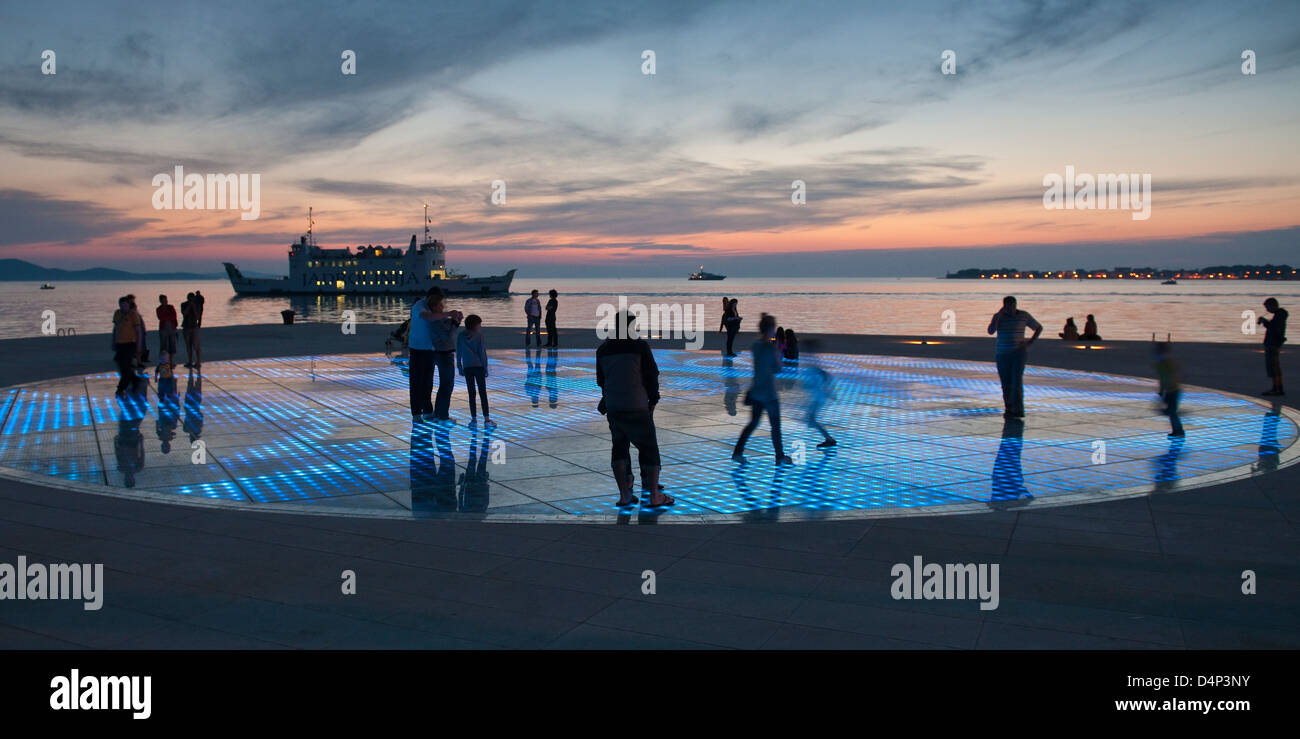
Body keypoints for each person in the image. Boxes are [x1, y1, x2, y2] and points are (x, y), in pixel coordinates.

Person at [597, 311, 673, 508]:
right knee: (649, 448)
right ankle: (655, 495)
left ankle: (624, 495)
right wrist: (653, 399)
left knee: (619, 448)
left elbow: (600, 380)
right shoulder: (639, 347)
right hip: (637, 405)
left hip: (614, 406)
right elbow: (651, 374)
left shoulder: (603, 349)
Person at [733, 313, 793, 464]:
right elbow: (777, 369)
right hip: (769, 394)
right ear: (770, 329)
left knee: (753, 423)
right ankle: (779, 457)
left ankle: (738, 452)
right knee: (775, 427)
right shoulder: (769, 348)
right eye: (773, 328)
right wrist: (779, 354)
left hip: (757, 392)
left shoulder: (756, 345)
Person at [408, 287, 463, 422]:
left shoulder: (432, 309)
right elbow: (428, 317)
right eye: (439, 301)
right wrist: (448, 314)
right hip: (417, 348)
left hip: (430, 349)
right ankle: (416, 414)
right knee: (416, 382)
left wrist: (451, 317)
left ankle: (427, 411)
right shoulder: (419, 306)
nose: (441, 303)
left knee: (428, 381)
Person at [987, 296, 1042, 419]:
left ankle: (1018, 409)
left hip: (1018, 354)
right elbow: (990, 331)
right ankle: (1009, 408)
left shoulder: (1023, 315)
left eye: (1013, 306)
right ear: (1004, 306)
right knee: (1006, 383)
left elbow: (1038, 327)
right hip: (1002, 354)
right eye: (1009, 306)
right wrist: (999, 317)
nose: (1012, 309)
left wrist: (1030, 342)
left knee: (1016, 382)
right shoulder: (998, 317)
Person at [456, 314, 496, 428]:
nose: (480, 326)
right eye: (479, 324)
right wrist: (485, 367)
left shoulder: (461, 336)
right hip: (478, 366)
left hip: (467, 367)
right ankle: (487, 419)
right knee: (482, 393)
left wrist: (459, 366)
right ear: (475, 325)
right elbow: (482, 353)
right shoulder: (479, 336)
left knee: (471, 393)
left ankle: (473, 419)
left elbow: (458, 353)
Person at [801, 339, 836, 448]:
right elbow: (826, 376)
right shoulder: (812, 361)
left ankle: (829, 439)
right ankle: (829, 439)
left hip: (818, 397)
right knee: (810, 419)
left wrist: (827, 390)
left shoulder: (812, 361)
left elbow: (825, 376)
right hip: (818, 396)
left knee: (811, 419)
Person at [111, 296, 143, 397]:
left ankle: (121, 388)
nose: (123, 307)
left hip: (130, 343)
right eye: (122, 305)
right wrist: (113, 341)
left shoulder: (133, 315)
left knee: (126, 367)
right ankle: (135, 380)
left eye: (125, 305)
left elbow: (138, 331)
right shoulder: (117, 313)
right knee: (122, 365)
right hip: (120, 344)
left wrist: (138, 346)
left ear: (128, 305)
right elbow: (115, 328)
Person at [1153, 340, 1185, 437]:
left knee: (1171, 412)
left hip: (1172, 390)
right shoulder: (1166, 362)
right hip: (1172, 390)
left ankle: (1179, 431)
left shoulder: (1164, 363)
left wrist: (1162, 391)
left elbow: (1165, 378)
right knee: (1171, 412)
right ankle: (1177, 430)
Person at [1259, 297, 1288, 396]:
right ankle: (1277, 387)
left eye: (1267, 307)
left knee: (1273, 367)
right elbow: (1273, 327)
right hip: (1274, 344)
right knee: (1274, 367)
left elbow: (1273, 328)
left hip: (1273, 344)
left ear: (1273, 306)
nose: (1267, 310)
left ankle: (1277, 388)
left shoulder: (1279, 315)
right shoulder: (1279, 315)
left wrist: (1264, 322)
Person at [180, 292, 201, 368]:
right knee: (188, 346)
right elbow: (184, 313)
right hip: (186, 327)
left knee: (196, 345)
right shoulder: (183, 304)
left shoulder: (197, 305)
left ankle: (198, 362)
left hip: (194, 327)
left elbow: (197, 316)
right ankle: (190, 361)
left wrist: (194, 307)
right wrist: (189, 306)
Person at [156, 294, 178, 360]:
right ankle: (163, 361)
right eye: (164, 300)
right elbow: (160, 318)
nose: (165, 301)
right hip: (163, 329)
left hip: (172, 328)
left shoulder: (171, 307)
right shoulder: (159, 309)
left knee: (172, 345)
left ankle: (171, 361)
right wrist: (168, 316)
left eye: (166, 300)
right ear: (161, 301)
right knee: (163, 346)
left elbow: (174, 316)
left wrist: (166, 316)